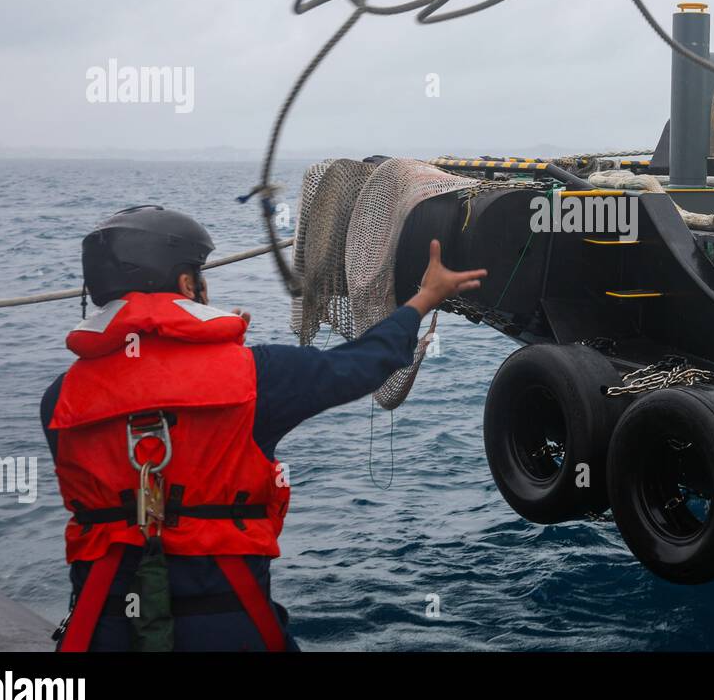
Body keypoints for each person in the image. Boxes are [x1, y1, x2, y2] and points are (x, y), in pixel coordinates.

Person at [40, 204, 486, 651]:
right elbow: (362, 364)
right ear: (185, 284)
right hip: (227, 631)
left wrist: (218, 358)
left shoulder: (59, 399)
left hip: (102, 633)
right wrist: (425, 297)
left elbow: (145, 402)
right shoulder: (259, 376)